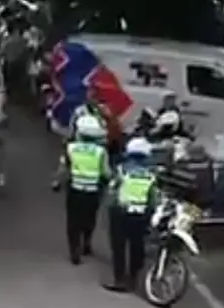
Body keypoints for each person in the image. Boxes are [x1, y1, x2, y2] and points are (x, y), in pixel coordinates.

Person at [53, 114, 109, 264]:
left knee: (73, 221)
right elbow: (106, 172)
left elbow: (63, 168)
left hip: (75, 189)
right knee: (89, 218)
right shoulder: (100, 151)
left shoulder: (71, 148)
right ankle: (87, 242)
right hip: (93, 191)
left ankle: (74, 251)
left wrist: (56, 182)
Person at [105, 137, 156, 292]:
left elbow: (112, 191)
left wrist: (111, 208)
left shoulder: (121, 170)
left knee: (118, 247)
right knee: (137, 246)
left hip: (121, 213)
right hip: (141, 215)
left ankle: (119, 279)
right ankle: (133, 278)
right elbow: (153, 199)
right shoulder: (151, 175)